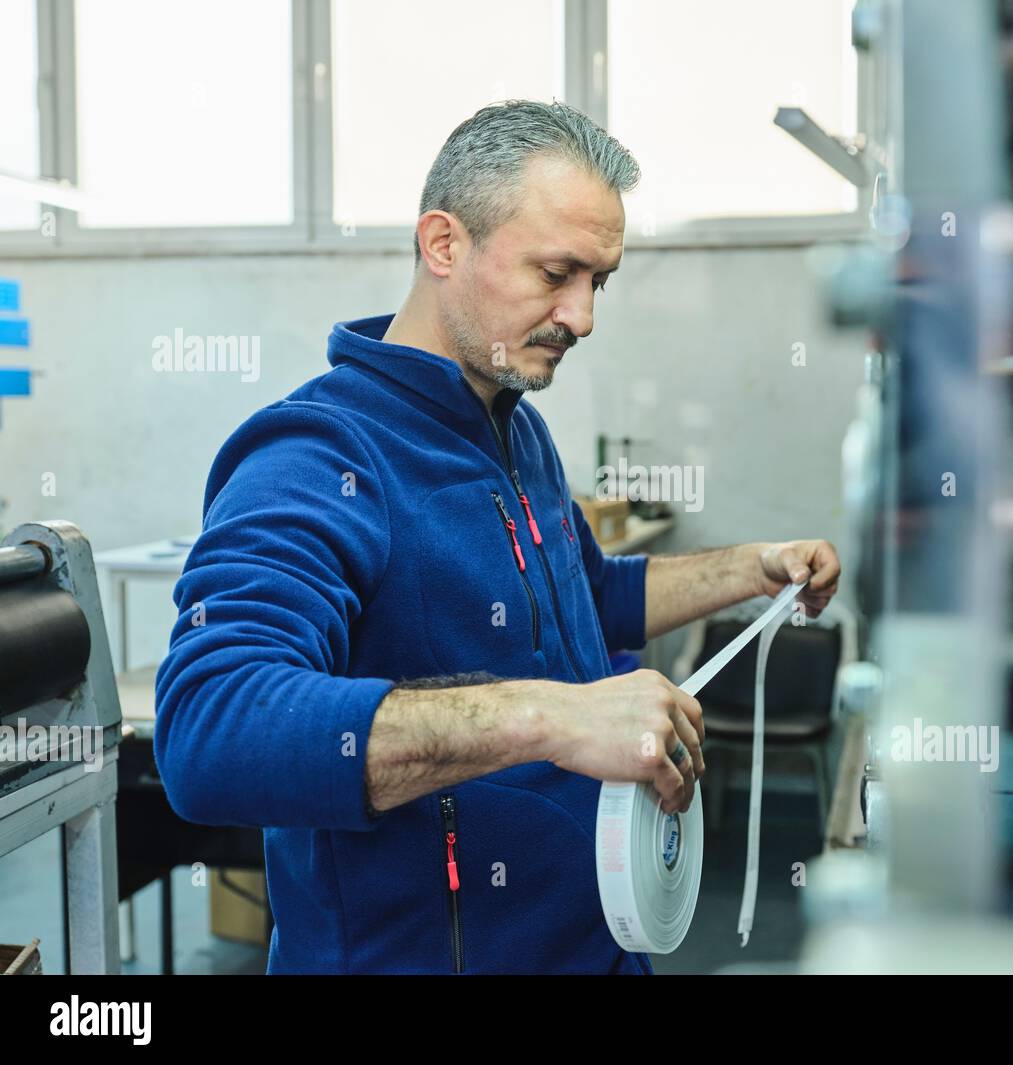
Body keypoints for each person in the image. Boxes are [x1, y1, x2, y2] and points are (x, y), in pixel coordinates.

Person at [154, 100, 841, 974]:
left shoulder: (515, 428)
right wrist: (549, 716)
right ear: (444, 244)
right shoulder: (319, 453)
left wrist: (753, 568)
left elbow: (583, 601)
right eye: (557, 272)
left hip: (596, 945)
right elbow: (212, 729)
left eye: (601, 280)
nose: (583, 316)